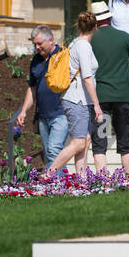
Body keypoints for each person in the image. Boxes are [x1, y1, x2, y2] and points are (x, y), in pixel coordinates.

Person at [89, 3, 129, 173]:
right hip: (122, 97)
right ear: (110, 17)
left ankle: (102, 178)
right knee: (125, 139)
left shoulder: (90, 39)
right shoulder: (124, 37)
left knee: (100, 140)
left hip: (101, 98)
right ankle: (128, 177)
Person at [48, 12, 103, 174]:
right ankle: (48, 174)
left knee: (84, 140)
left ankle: (81, 178)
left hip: (76, 99)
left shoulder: (74, 43)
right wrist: (97, 105)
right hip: (77, 99)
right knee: (79, 142)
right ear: (95, 27)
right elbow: (87, 77)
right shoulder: (83, 46)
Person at [16, 26, 68, 168]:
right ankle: (62, 184)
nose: (37, 47)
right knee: (50, 154)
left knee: (54, 150)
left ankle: (59, 184)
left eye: (40, 43)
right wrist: (24, 111)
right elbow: (32, 88)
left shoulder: (63, 55)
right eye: (34, 44)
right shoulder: (36, 61)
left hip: (61, 113)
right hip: (43, 116)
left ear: (50, 40)